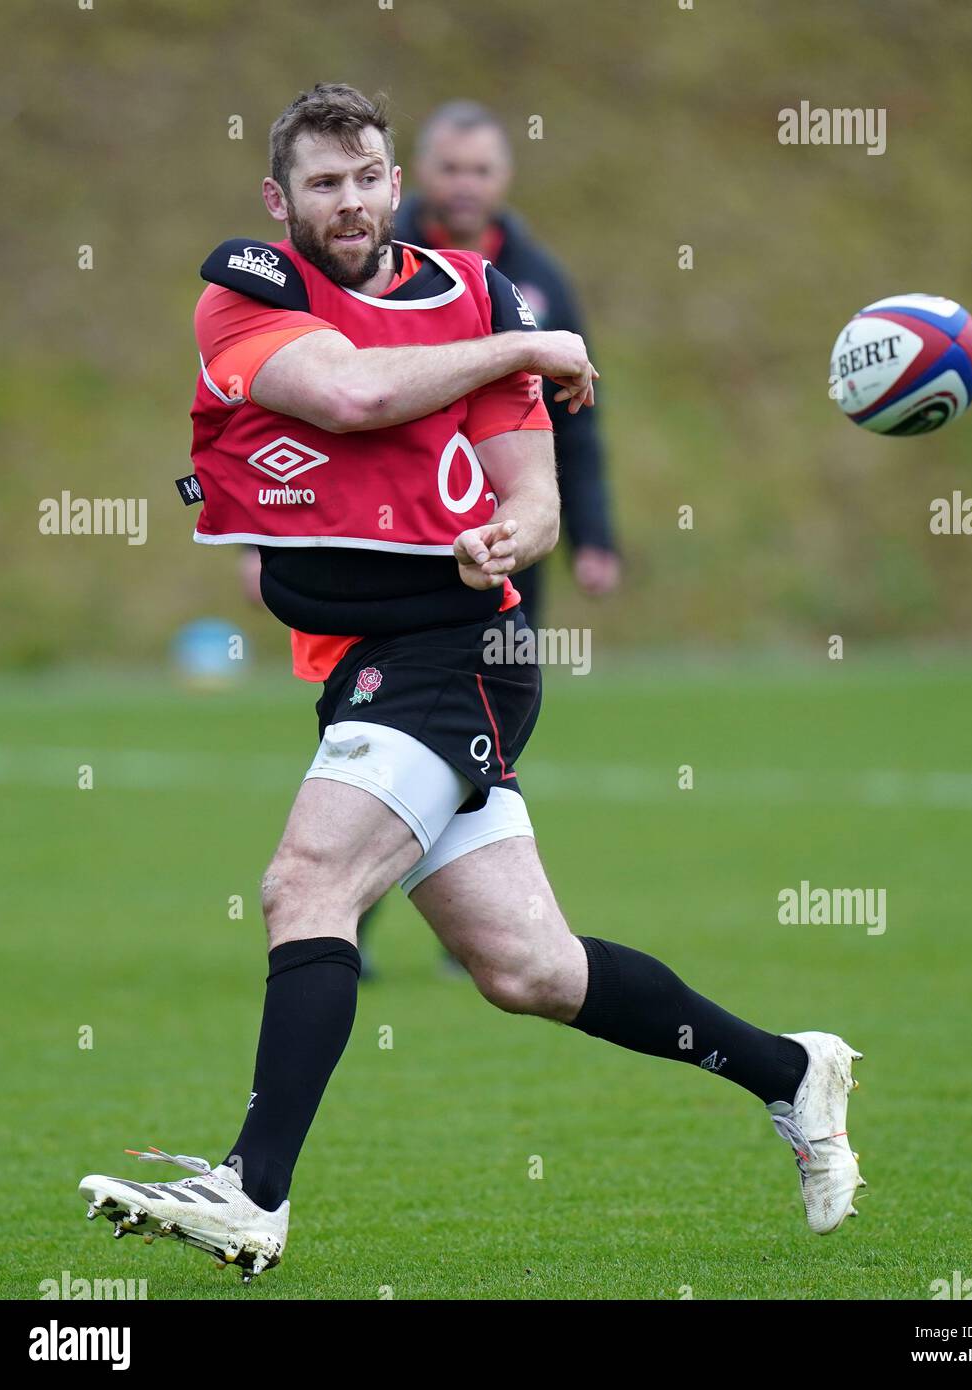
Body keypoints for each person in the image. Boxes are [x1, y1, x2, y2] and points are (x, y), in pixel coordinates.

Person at [77, 84, 865, 1283]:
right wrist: (535, 344)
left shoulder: (475, 291)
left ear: (396, 182)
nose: (351, 200)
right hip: (361, 664)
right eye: (325, 182)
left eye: (368, 176)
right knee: (529, 969)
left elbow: (531, 489)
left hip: (464, 656)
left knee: (307, 880)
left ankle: (252, 1190)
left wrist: (518, 533)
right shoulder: (249, 294)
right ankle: (792, 1070)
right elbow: (349, 393)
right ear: (278, 198)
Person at [396, 99, 621, 628]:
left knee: (507, 672)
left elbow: (577, 412)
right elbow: (315, 394)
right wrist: (260, 545)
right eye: (450, 169)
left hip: (507, 516)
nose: (464, 185)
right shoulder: (379, 263)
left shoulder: (541, 279)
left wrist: (593, 537)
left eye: (480, 170)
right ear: (421, 172)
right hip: (397, 514)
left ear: (505, 177)